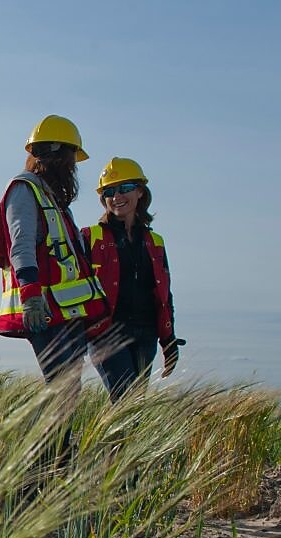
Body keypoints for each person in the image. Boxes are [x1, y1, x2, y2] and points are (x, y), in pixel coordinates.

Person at [0, 115, 110, 388]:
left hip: (67, 311)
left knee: (68, 389)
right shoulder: (24, 190)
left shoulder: (53, 200)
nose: (73, 167)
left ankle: (59, 434)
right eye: (72, 158)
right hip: (43, 309)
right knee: (61, 388)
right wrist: (31, 296)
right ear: (58, 155)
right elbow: (19, 245)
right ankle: (47, 433)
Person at [84, 157, 180, 402]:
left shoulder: (155, 242)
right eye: (109, 191)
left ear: (140, 191)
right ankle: (105, 441)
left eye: (125, 188)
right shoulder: (89, 237)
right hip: (106, 333)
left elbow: (163, 295)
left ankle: (112, 443)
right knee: (125, 398)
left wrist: (168, 341)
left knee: (133, 406)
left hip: (145, 333)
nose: (117, 196)